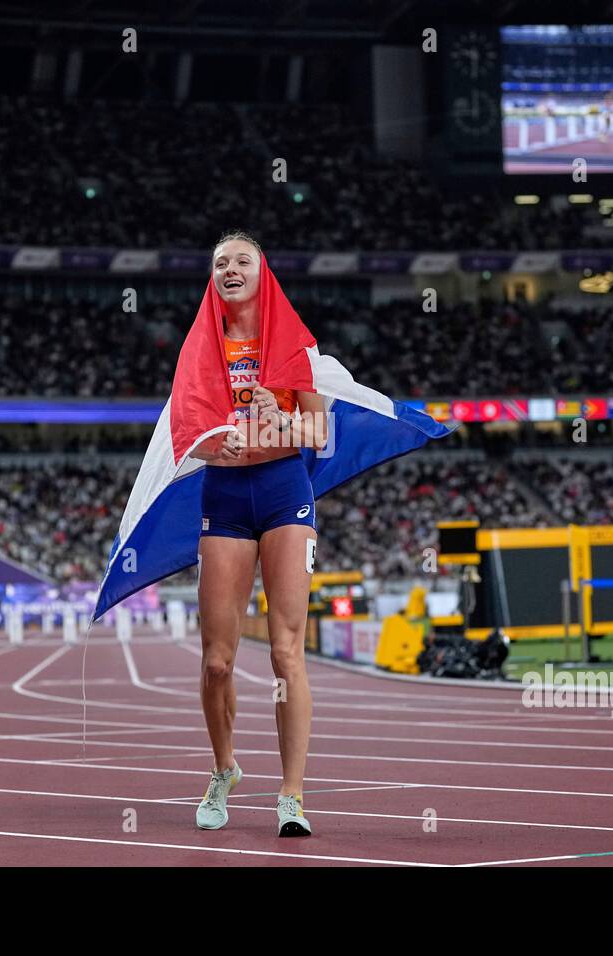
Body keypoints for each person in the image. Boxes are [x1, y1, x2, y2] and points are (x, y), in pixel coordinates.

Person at [192, 231, 328, 837]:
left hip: (282, 492)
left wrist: (287, 421)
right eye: (220, 263)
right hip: (223, 496)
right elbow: (185, 431)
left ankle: (292, 796)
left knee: (284, 651)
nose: (230, 269)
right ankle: (225, 769)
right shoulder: (201, 346)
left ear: (262, 271)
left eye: (241, 260)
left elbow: (321, 435)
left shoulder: (295, 343)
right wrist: (210, 440)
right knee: (218, 659)